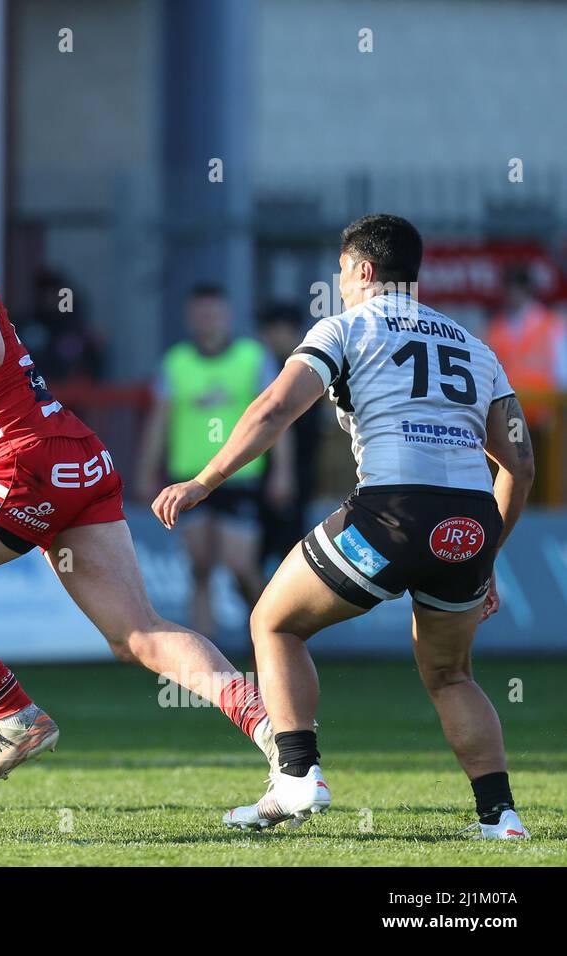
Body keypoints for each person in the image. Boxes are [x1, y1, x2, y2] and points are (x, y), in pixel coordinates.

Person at [0, 170, 278, 792]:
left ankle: (15, 716)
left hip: (24, 455)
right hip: (70, 454)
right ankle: (275, 730)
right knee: (137, 634)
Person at [154, 214, 533, 840]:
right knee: (452, 675)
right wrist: (486, 553)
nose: (339, 282)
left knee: (272, 623)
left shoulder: (345, 326)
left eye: (340, 271)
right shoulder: (476, 345)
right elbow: (519, 463)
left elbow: (276, 406)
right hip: (468, 522)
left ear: (361, 270)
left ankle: (298, 776)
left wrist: (204, 481)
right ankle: (500, 817)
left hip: (391, 512)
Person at [137, 284, 294, 638]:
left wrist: (282, 472)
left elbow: (276, 415)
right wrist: (147, 469)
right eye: (200, 313)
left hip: (239, 476)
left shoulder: (252, 357)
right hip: (186, 476)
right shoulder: (176, 362)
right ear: (191, 318)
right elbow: (159, 421)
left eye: (213, 312)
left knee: (240, 565)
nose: (207, 320)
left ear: (227, 315)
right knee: (200, 567)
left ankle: (274, 633)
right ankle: (208, 654)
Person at [485, 265, 567, 503]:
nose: (511, 295)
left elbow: (561, 371)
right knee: (508, 472)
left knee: (539, 476)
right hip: (508, 415)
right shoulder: (498, 327)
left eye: (515, 289)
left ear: (526, 291)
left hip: (543, 417)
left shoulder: (551, 324)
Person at [256, 303, 323, 569]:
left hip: (298, 472)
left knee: (290, 549)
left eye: (281, 330)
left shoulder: (310, 368)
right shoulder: (260, 368)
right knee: (253, 553)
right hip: (258, 470)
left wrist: (287, 475)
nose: (275, 337)